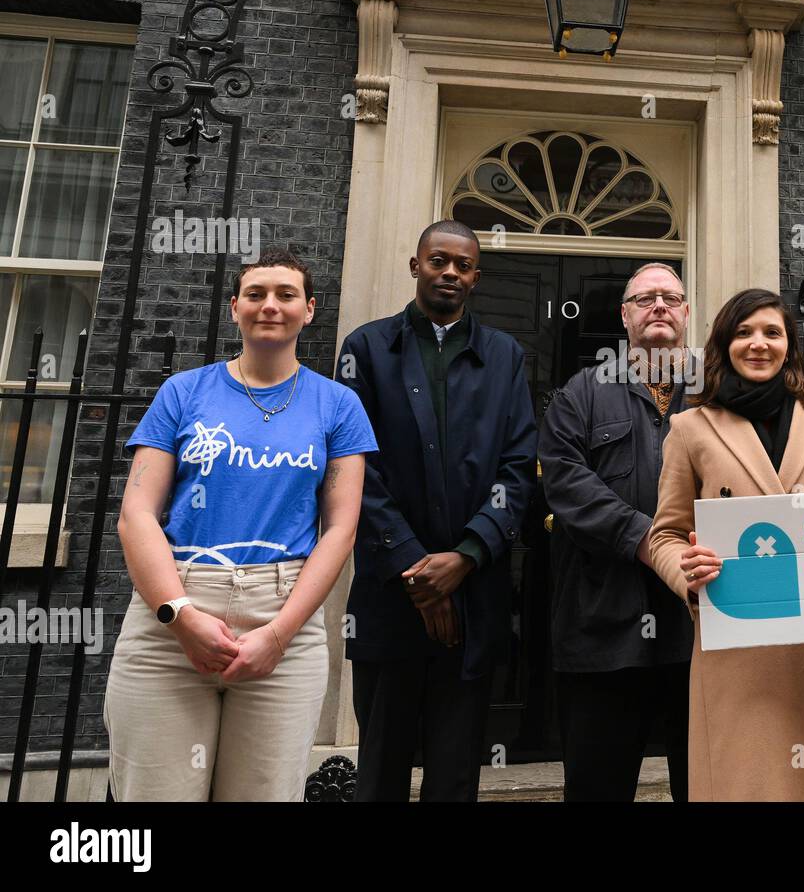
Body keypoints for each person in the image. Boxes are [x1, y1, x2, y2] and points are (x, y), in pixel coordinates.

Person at [106, 249, 375, 801]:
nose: (270, 306)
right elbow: (136, 515)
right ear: (234, 308)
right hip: (173, 613)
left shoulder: (339, 405)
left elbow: (341, 531)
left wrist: (277, 636)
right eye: (255, 295)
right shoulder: (184, 392)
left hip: (284, 616)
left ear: (309, 310)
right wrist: (179, 615)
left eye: (285, 295)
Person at [338, 219, 536, 802]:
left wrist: (467, 556)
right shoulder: (367, 349)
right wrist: (420, 572)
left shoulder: (505, 356)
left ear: (476, 275)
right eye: (438, 260)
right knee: (380, 767)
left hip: (474, 600)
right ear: (416, 265)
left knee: (455, 774)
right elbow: (354, 471)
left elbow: (518, 467)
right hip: (388, 595)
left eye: (463, 265)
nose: (450, 272)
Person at [648, 288, 804, 801]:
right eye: (744, 332)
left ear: (789, 346)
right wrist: (687, 570)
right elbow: (665, 533)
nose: (758, 344)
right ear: (724, 345)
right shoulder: (689, 429)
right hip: (738, 650)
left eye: (772, 332)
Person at [539, 262, 694, 802]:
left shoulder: (717, 394)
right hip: (603, 629)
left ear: (685, 314)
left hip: (700, 629)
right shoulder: (579, 395)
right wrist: (650, 542)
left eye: (670, 298)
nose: (659, 307)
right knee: (598, 787)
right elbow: (566, 484)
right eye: (645, 298)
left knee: (710, 782)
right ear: (625, 315)